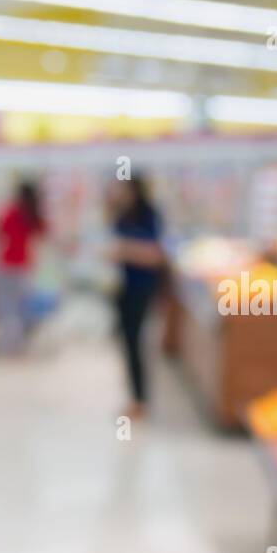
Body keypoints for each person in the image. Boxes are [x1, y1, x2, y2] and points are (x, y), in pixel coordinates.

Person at [108, 173, 166, 418]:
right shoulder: (121, 216)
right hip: (122, 288)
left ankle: (140, 399)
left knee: (136, 343)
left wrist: (125, 250)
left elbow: (155, 254)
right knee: (126, 342)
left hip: (141, 289)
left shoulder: (148, 216)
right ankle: (135, 397)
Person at [0, 179, 45, 355]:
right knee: (20, 307)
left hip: (5, 265)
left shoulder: (11, 212)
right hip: (23, 266)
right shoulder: (32, 214)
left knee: (6, 308)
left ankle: (9, 346)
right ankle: (18, 345)